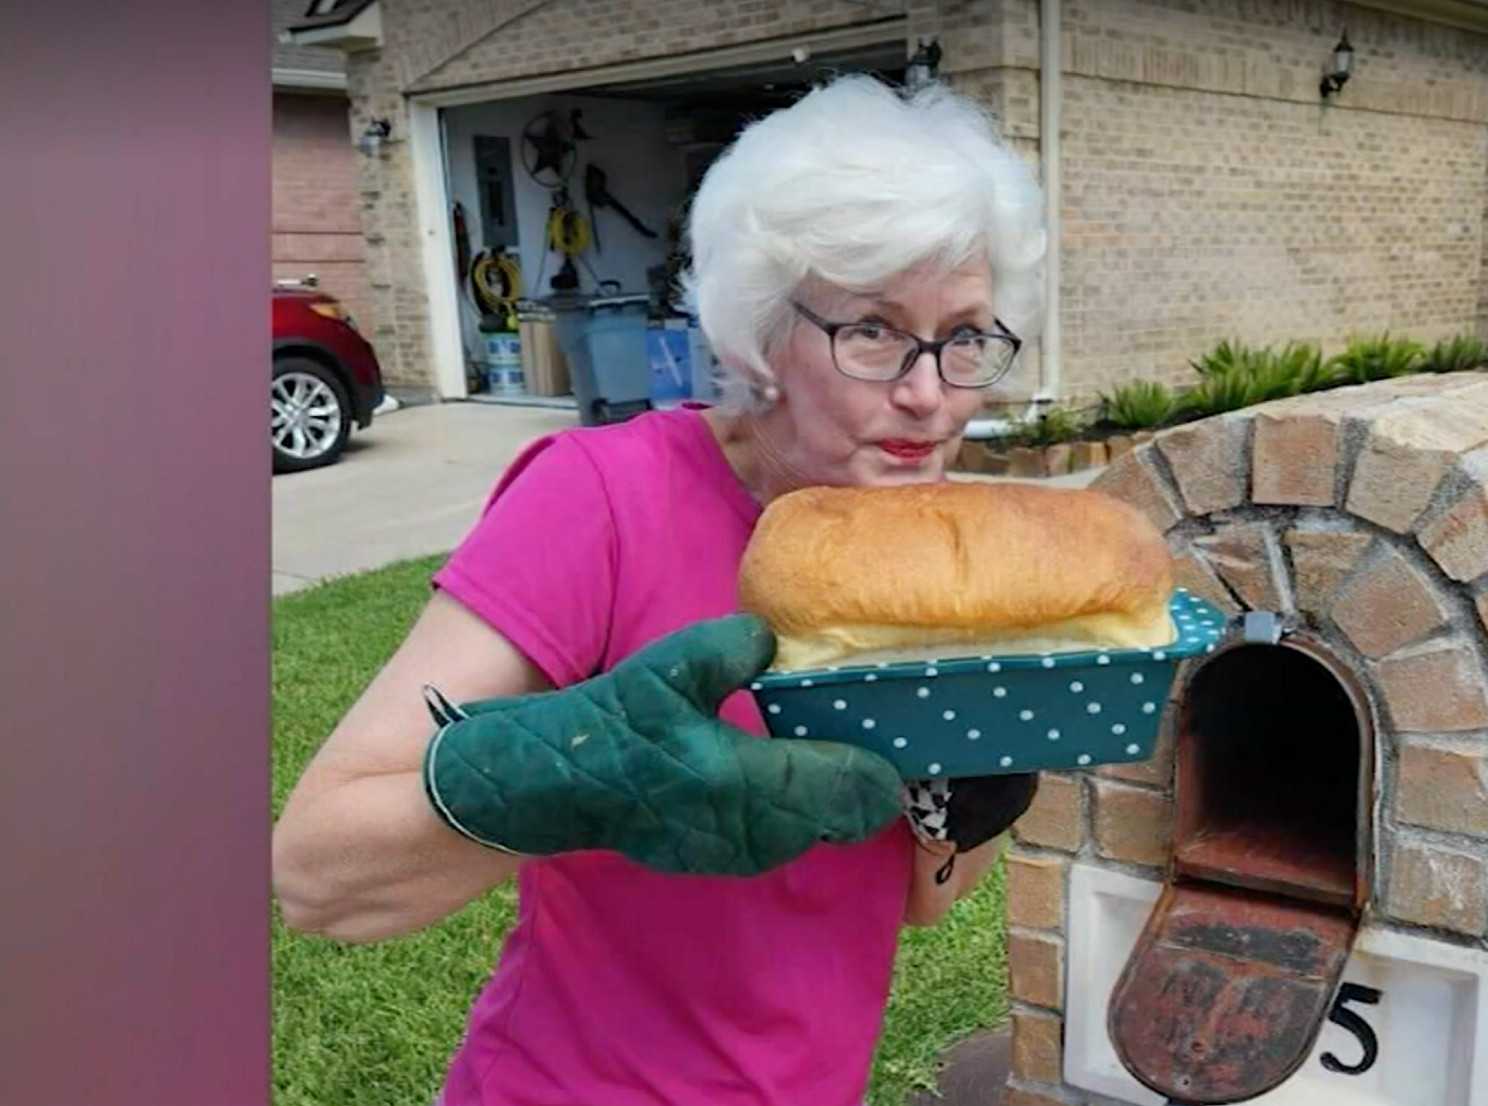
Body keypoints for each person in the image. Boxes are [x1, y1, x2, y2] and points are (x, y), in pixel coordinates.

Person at [271, 73, 1050, 1106]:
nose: (928, 390)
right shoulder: (603, 498)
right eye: (871, 328)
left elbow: (906, 904)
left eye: (965, 336)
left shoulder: (930, 551)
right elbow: (317, 871)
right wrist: (575, 778)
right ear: (759, 333)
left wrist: (970, 800)